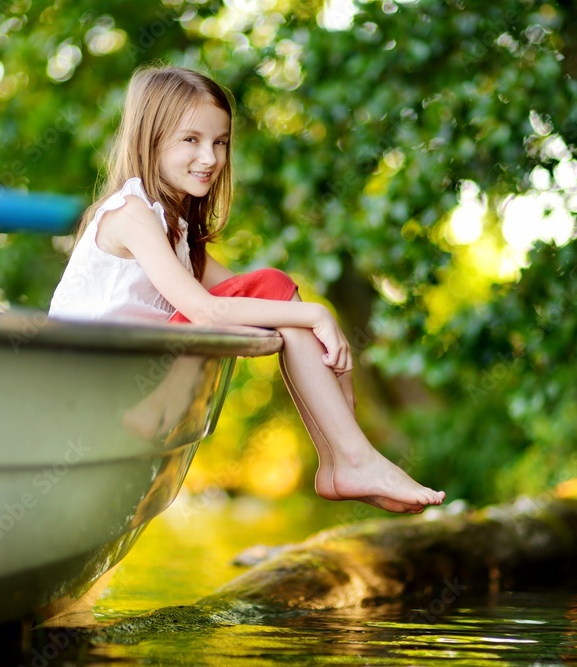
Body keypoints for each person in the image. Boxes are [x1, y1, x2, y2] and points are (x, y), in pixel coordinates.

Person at [50, 65, 444, 514]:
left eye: (220, 142)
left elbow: (261, 296)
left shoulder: (175, 229)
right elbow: (208, 312)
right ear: (150, 138)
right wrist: (318, 315)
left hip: (135, 382)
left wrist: (325, 347)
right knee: (282, 304)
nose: (211, 158)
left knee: (275, 288)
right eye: (191, 140)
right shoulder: (131, 213)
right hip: (90, 388)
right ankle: (353, 458)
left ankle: (343, 459)